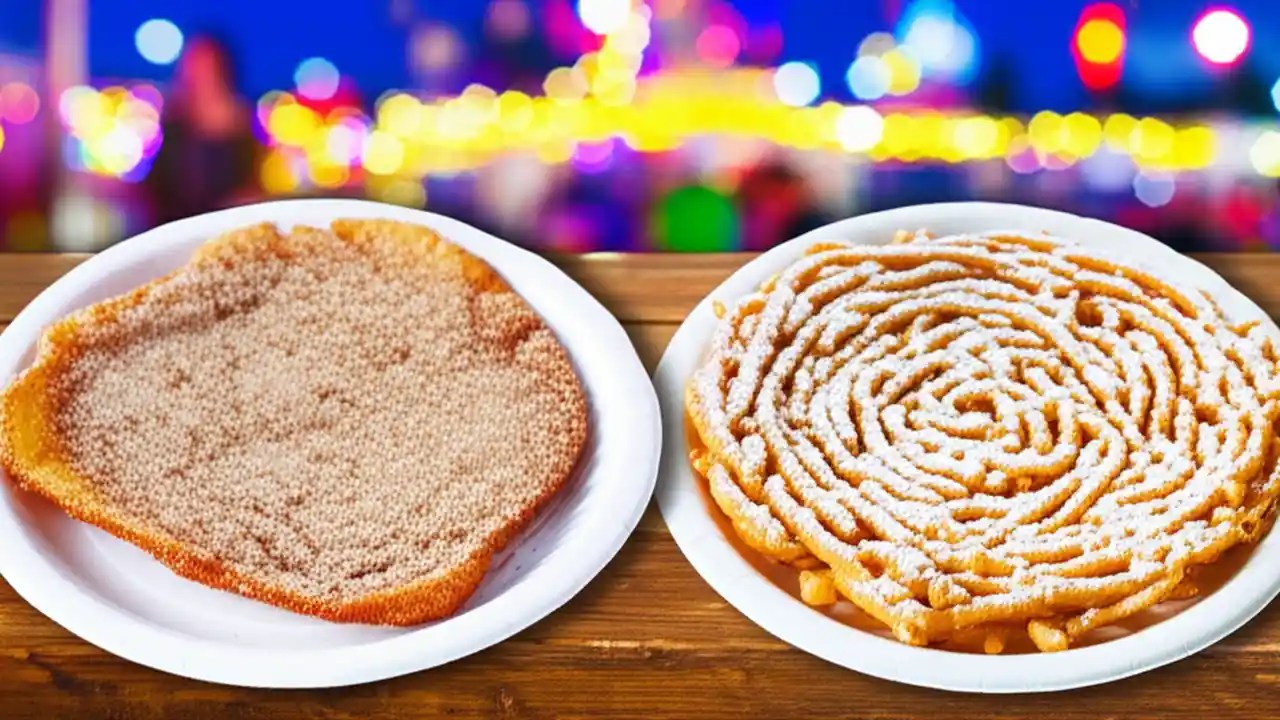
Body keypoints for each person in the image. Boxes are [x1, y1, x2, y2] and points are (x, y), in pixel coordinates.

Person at [145, 35, 258, 224]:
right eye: (194, 64)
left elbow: (252, 181)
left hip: (223, 225)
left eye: (205, 64)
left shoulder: (243, 122)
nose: (199, 72)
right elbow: (158, 180)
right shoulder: (175, 119)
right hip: (172, 225)